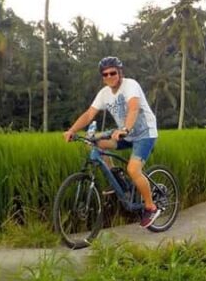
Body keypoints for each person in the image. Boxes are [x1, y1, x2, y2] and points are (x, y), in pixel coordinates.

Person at [63, 56, 161, 228]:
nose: (109, 76)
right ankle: (116, 178)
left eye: (112, 73)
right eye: (105, 74)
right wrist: (72, 130)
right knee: (97, 143)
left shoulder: (130, 85)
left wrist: (125, 129)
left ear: (120, 72)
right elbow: (89, 114)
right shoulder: (104, 94)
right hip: (124, 135)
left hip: (144, 133)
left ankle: (150, 207)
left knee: (133, 169)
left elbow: (133, 108)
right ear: (102, 77)